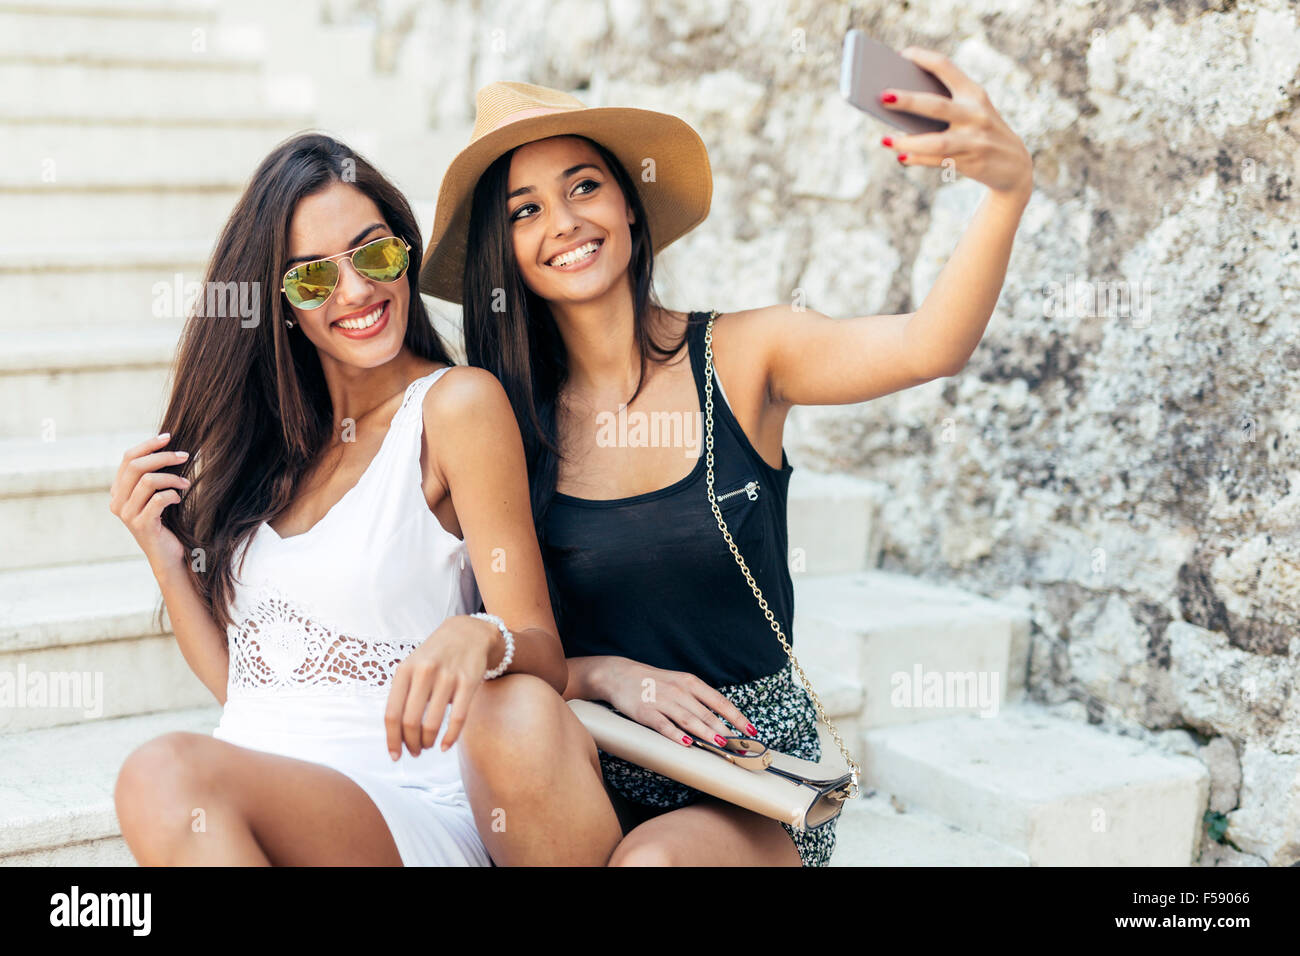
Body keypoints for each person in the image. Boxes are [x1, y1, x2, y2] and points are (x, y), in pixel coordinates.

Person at [418, 50, 1033, 865]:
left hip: (747, 773)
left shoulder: (746, 356)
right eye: (525, 210)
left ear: (629, 205)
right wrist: (607, 673)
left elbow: (930, 345)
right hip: (591, 755)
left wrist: (1006, 190)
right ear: (506, 251)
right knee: (504, 711)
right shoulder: (499, 417)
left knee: (655, 864)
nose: (562, 222)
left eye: (583, 187)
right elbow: (501, 629)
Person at [110, 133, 623, 866]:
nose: (354, 292)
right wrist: (164, 557)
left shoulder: (455, 408)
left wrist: (482, 635)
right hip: (274, 805)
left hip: (408, 804)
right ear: (283, 304)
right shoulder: (270, 450)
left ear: (405, 254)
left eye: (374, 254)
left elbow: (539, 652)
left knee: (161, 772)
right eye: (313, 277)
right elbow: (248, 689)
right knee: (170, 783)